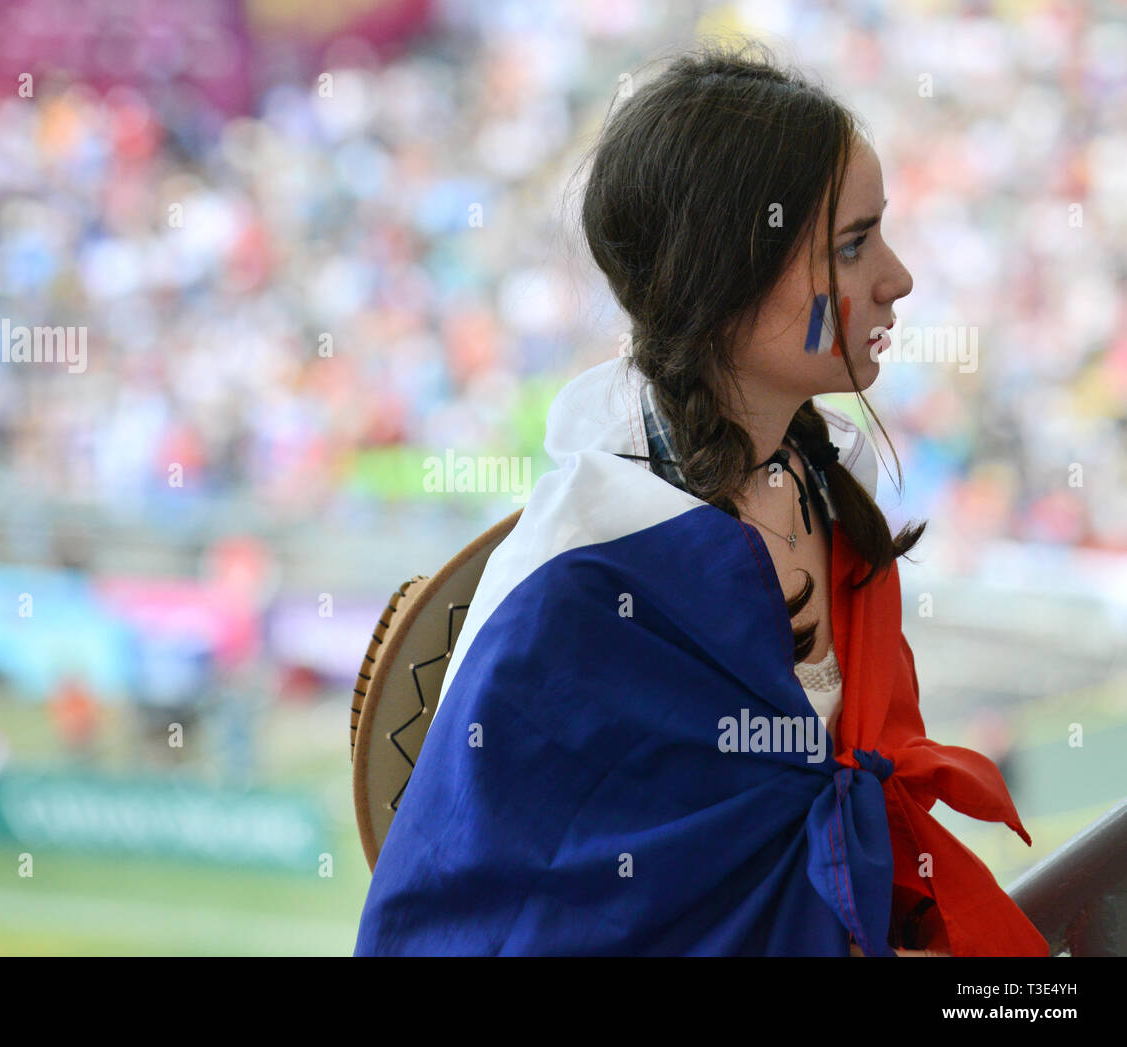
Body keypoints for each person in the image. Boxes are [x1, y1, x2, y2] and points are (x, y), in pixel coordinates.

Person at [354, 41, 1048, 957]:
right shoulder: (575, 588)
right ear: (729, 273)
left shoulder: (828, 492)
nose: (897, 277)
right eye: (852, 244)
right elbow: (488, 919)